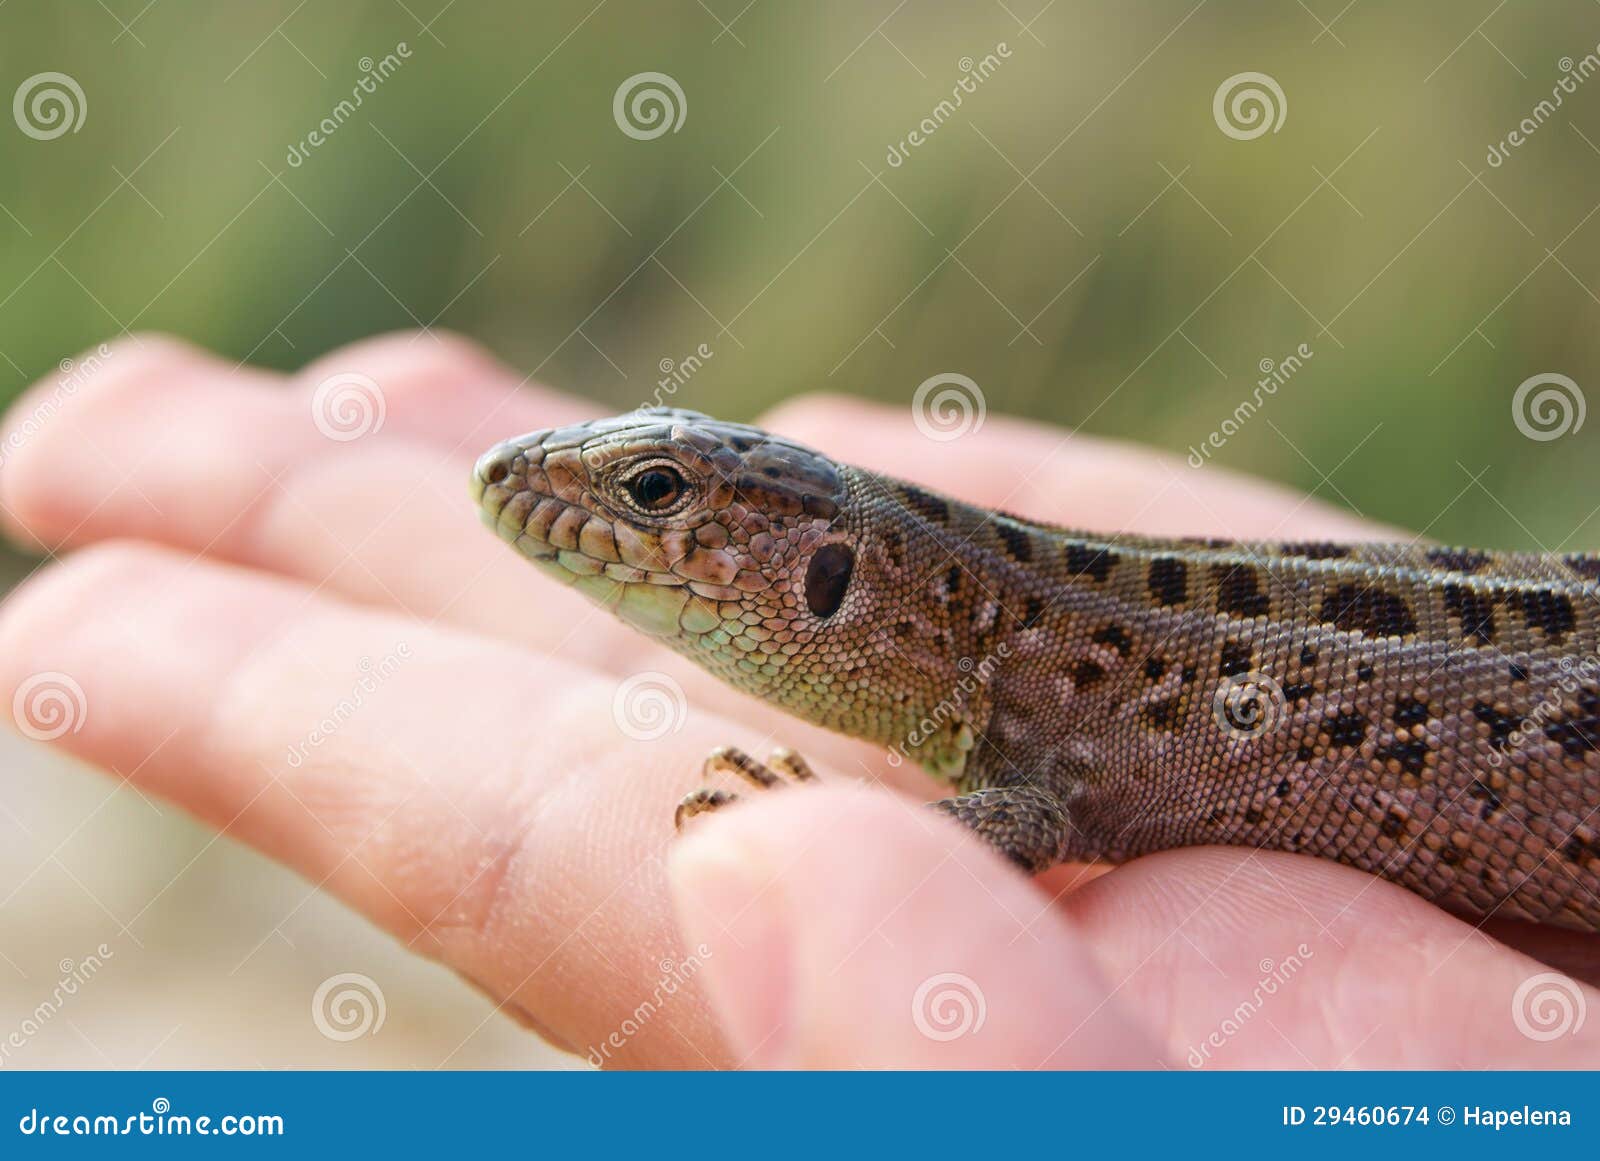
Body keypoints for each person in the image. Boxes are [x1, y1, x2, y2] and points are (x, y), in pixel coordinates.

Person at [0, 331, 1593, 1068]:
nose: (578, 510)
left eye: (650, 494)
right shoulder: (1022, 680)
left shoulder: (1026, 748)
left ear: (829, 572)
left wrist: (823, 822)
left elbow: (1015, 828)